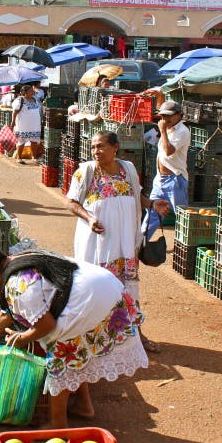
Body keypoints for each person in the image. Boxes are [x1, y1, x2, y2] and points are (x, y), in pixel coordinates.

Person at [0, 242, 148, 430]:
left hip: (91, 299)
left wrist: (21, 338)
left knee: (62, 350)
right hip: (103, 287)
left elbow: (46, 325)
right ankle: (83, 405)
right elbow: (6, 314)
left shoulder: (17, 284)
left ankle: (58, 424)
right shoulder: (17, 260)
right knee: (78, 348)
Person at [66, 131, 170, 353]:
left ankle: (137, 335)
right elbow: (72, 202)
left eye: (101, 146)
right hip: (96, 245)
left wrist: (151, 204)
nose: (96, 151)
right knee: (95, 288)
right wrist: (90, 218)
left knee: (129, 290)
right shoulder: (86, 172)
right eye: (93, 147)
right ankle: (93, 337)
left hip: (124, 245)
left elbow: (136, 196)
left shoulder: (128, 169)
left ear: (115, 148)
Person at [142, 101, 190, 239]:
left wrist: (162, 130)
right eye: (162, 116)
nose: (165, 119)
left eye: (169, 116)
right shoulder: (168, 128)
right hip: (160, 180)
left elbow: (169, 151)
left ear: (179, 115)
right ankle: (139, 245)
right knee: (152, 213)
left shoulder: (182, 131)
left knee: (182, 218)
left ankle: (186, 248)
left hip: (175, 180)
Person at [9, 84, 42, 164]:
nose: (32, 92)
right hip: (23, 125)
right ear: (25, 92)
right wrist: (12, 122)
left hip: (34, 125)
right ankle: (19, 157)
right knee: (21, 141)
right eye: (30, 90)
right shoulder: (20, 100)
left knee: (34, 141)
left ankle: (34, 157)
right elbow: (15, 112)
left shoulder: (35, 99)